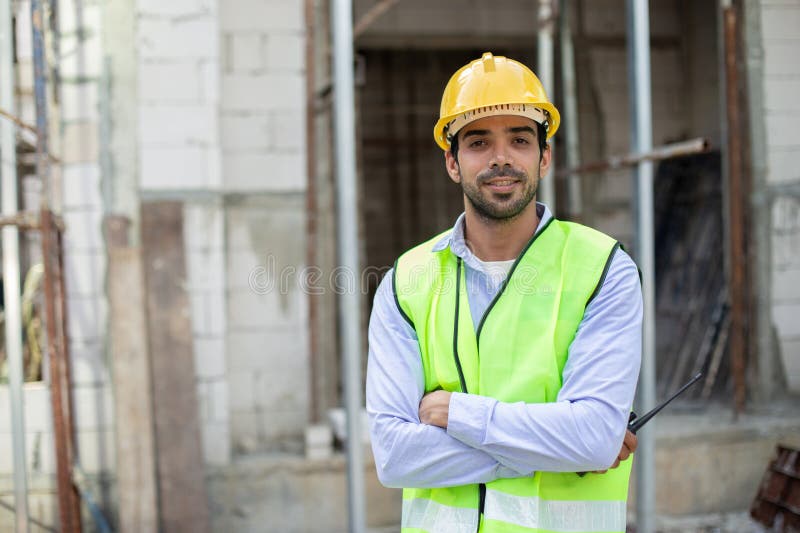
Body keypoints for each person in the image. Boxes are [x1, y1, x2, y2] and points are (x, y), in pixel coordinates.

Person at [366, 52, 642, 533]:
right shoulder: (406, 280)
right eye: (478, 141)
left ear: (544, 157)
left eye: (519, 139)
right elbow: (394, 456)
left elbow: (595, 437)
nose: (501, 157)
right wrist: (559, 448)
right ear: (452, 162)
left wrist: (459, 414)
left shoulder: (603, 269)